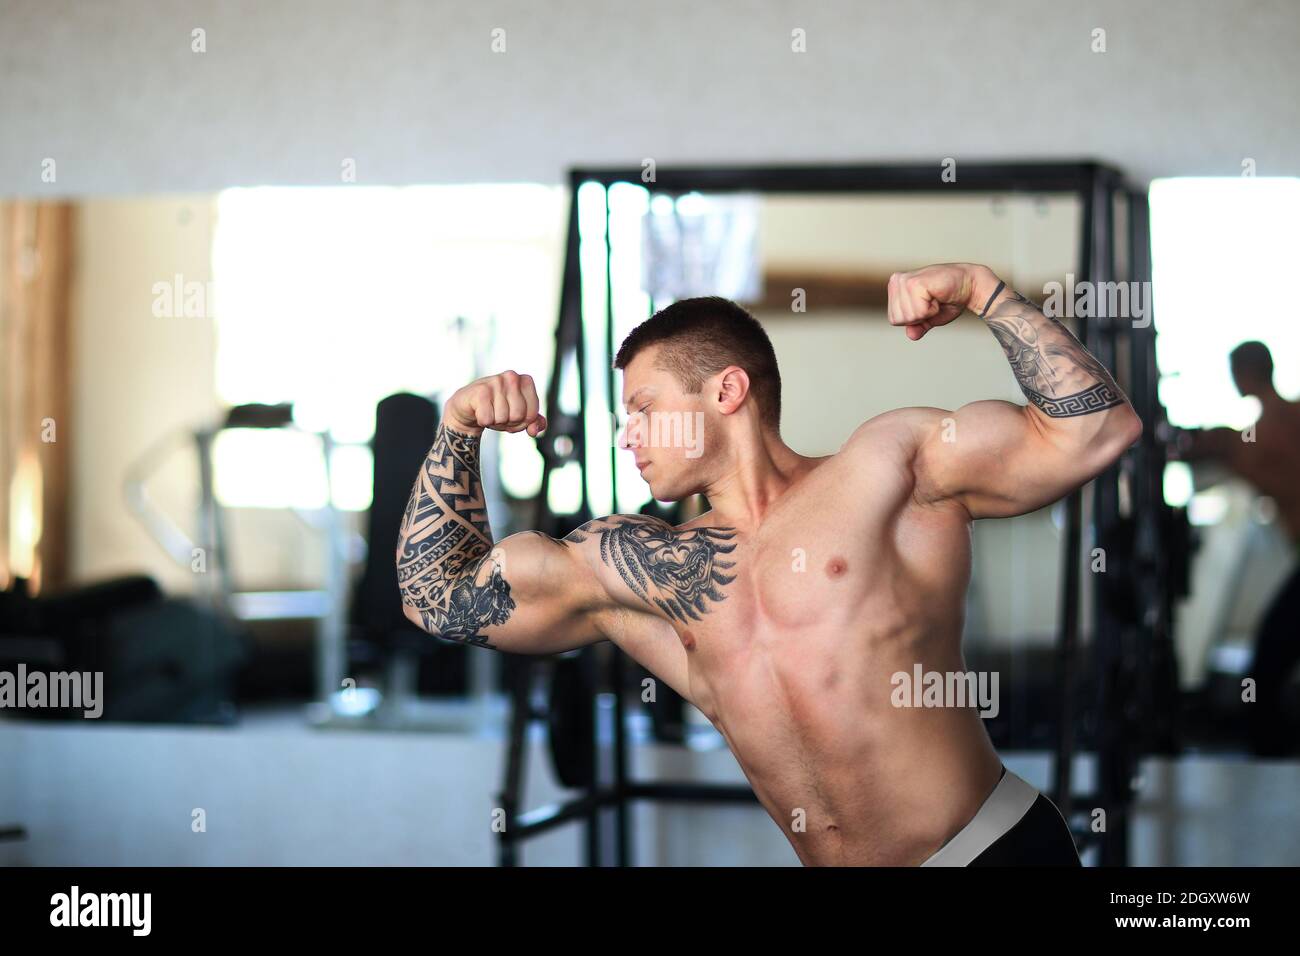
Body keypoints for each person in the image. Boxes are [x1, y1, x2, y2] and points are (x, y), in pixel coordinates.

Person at [396, 262, 1141, 865]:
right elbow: (434, 599)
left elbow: (1099, 432)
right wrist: (459, 428)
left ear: (726, 390)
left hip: (987, 856)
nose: (630, 437)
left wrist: (985, 290)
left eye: (646, 407)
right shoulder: (636, 563)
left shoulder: (889, 466)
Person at [1178, 341, 1300, 756]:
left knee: (1268, 659)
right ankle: (1271, 748)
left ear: (1244, 375)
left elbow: (1216, 449)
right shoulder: (1289, 417)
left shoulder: (1255, 440)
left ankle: (1270, 753)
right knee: (1272, 654)